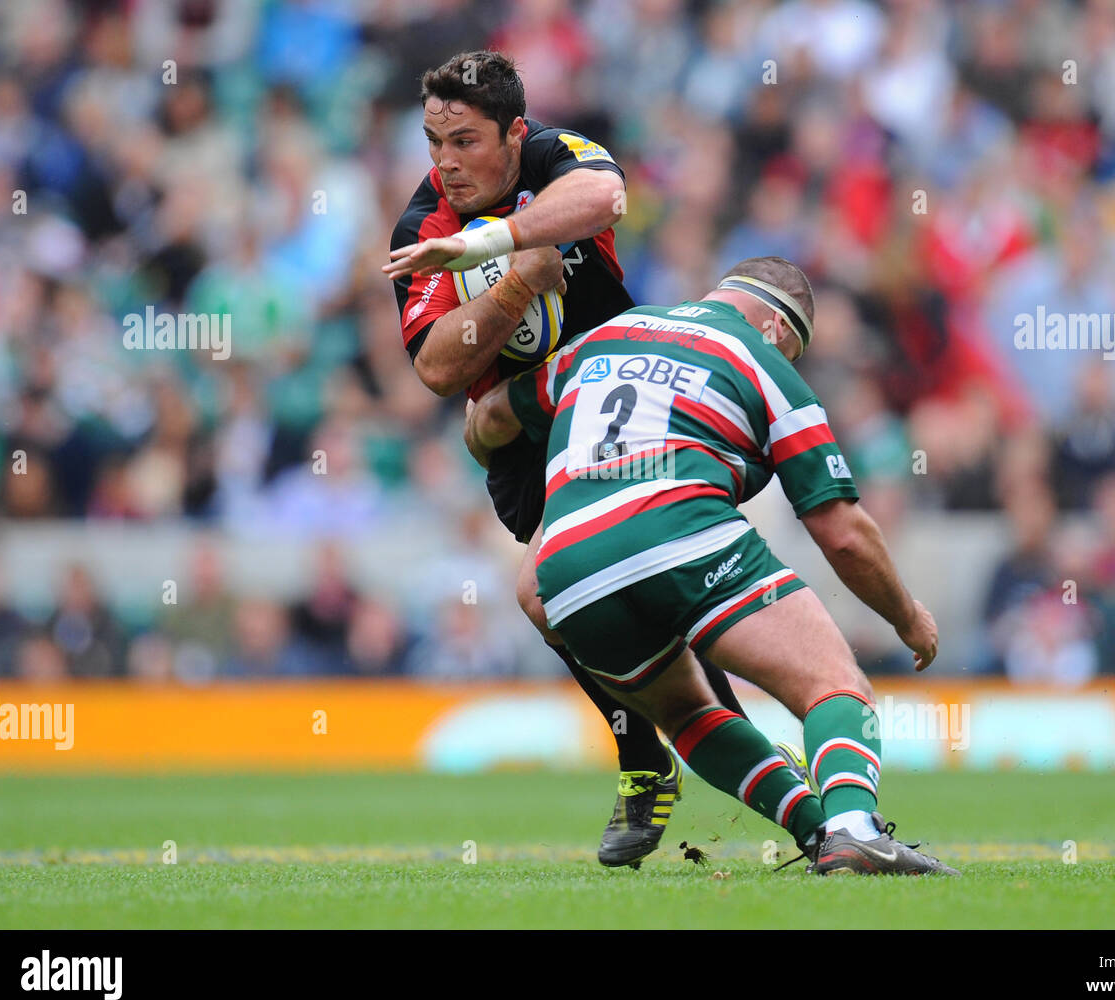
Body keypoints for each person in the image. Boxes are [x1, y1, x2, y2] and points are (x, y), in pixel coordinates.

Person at [382, 50, 758, 867]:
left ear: (515, 134)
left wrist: (505, 237)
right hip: (522, 440)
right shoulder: (422, 229)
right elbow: (438, 369)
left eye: (465, 141)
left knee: (566, 587)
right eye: (432, 141)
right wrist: (517, 278)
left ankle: (722, 754)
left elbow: (606, 195)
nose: (445, 162)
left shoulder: (556, 158)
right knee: (562, 604)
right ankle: (662, 754)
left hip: (619, 407)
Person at [465, 257, 959, 875]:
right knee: (834, 686)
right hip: (679, 535)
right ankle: (855, 826)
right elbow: (845, 536)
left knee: (687, 715)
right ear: (779, 328)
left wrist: (484, 445)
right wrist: (907, 618)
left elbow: (489, 419)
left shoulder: (606, 335)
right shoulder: (761, 357)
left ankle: (818, 834)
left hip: (565, 576)